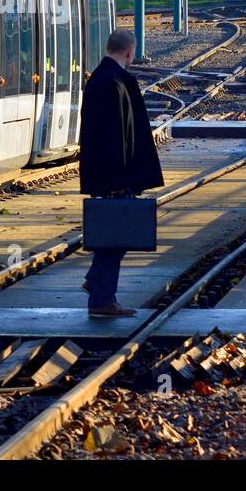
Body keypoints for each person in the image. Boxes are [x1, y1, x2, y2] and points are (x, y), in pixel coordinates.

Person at [78, 28, 164, 318]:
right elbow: (117, 138)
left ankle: (97, 284)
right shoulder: (112, 83)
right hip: (114, 174)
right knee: (118, 234)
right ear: (129, 52)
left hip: (108, 173)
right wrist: (120, 180)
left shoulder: (102, 79)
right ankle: (102, 298)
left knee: (117, 232)